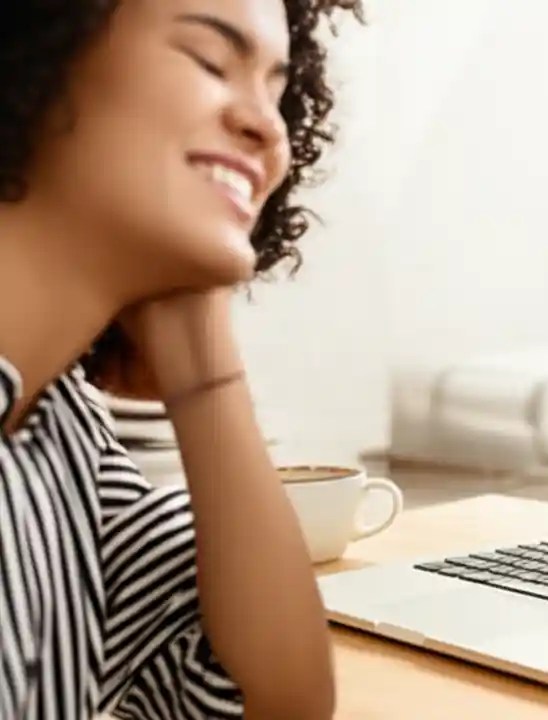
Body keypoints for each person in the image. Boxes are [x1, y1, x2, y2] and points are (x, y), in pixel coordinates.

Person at [0, 0, 363, 717]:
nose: (267, 127)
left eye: (279, 90)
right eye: (209, 61)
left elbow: (271, 699)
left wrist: (203, 360)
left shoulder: (57, 433)